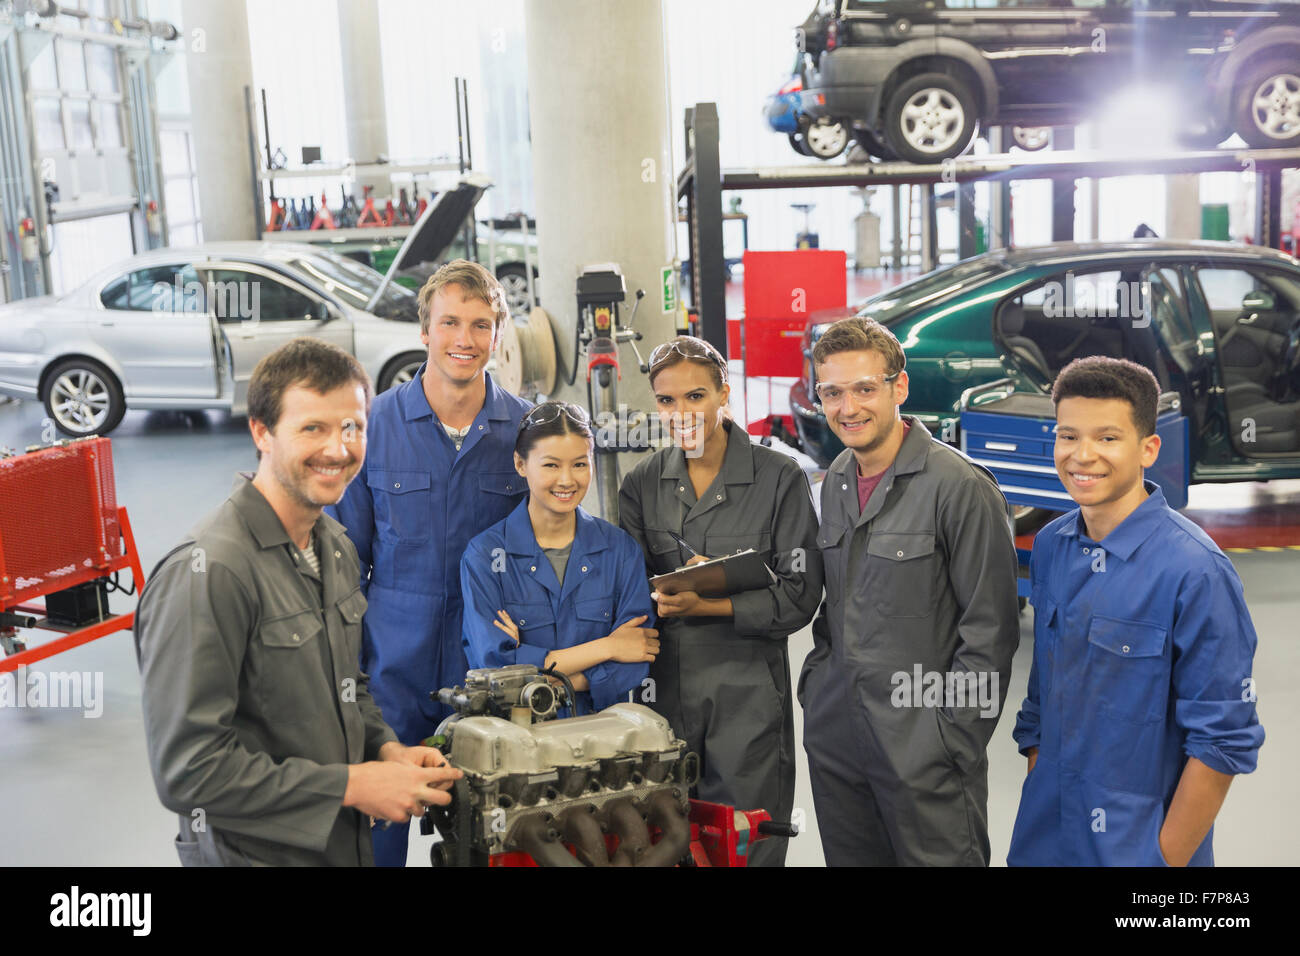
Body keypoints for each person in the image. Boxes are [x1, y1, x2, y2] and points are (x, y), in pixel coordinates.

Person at [135, 339, 460, 866]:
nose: (338, 448)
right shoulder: (209, 573)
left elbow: (346, 686)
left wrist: (385, 748)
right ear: (261, 432)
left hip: (341, 848)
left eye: (352, 427)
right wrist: (351, 786)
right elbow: (188, 772)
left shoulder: (333, 546)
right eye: (313, 428)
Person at [1009, 356, 1265, 866]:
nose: (1082, 456)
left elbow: (1223, 742)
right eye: (1068, 436)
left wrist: (1161, 860)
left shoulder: (1196, 572)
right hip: (1047, 837)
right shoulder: (1054, 545)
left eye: (1107, 438)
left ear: (1148, 448)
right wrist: (1042, 771)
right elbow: (1042, 694)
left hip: (1137, 849)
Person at [327, 259, 531, 866]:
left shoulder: (523, 430)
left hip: (490, 664)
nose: (464, 340)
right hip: (391, 667)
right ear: (425, 331)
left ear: (498, 334)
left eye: (480, 324)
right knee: (378, 836)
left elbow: (546, 554)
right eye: (450, 323)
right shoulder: (375, 425)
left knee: (492, 832)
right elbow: (344, 562)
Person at [798, 316, 1019, 867]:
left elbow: (990, 635)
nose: (847, 408)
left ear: (899, 386)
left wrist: (949, 743)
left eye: (865, 389)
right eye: (832, 392)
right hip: (840, 747)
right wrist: (818, 695)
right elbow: (834, 611)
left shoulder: (960, 487)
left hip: (926, 756)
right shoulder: (838, 479)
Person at [618, 335, 823, 868]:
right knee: (665, 839)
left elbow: (800, 594)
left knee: (745, 839)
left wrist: (708, 603)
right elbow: (627, 589)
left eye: (696, 396)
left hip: (747, 696)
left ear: (724, 393)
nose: (681, 412)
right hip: (663, 693)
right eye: (666, 400)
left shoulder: (779, 478)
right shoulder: (642, 484)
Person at [461, 401, 658, 713]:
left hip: (605, 737)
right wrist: (607, 647)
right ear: (520, 464)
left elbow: (635, 659)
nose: (567, 480)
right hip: (519, 741)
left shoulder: (620, 551)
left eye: (580, 464)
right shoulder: (486, 556)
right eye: (551, 465)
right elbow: (494, 666)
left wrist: (535, 670)